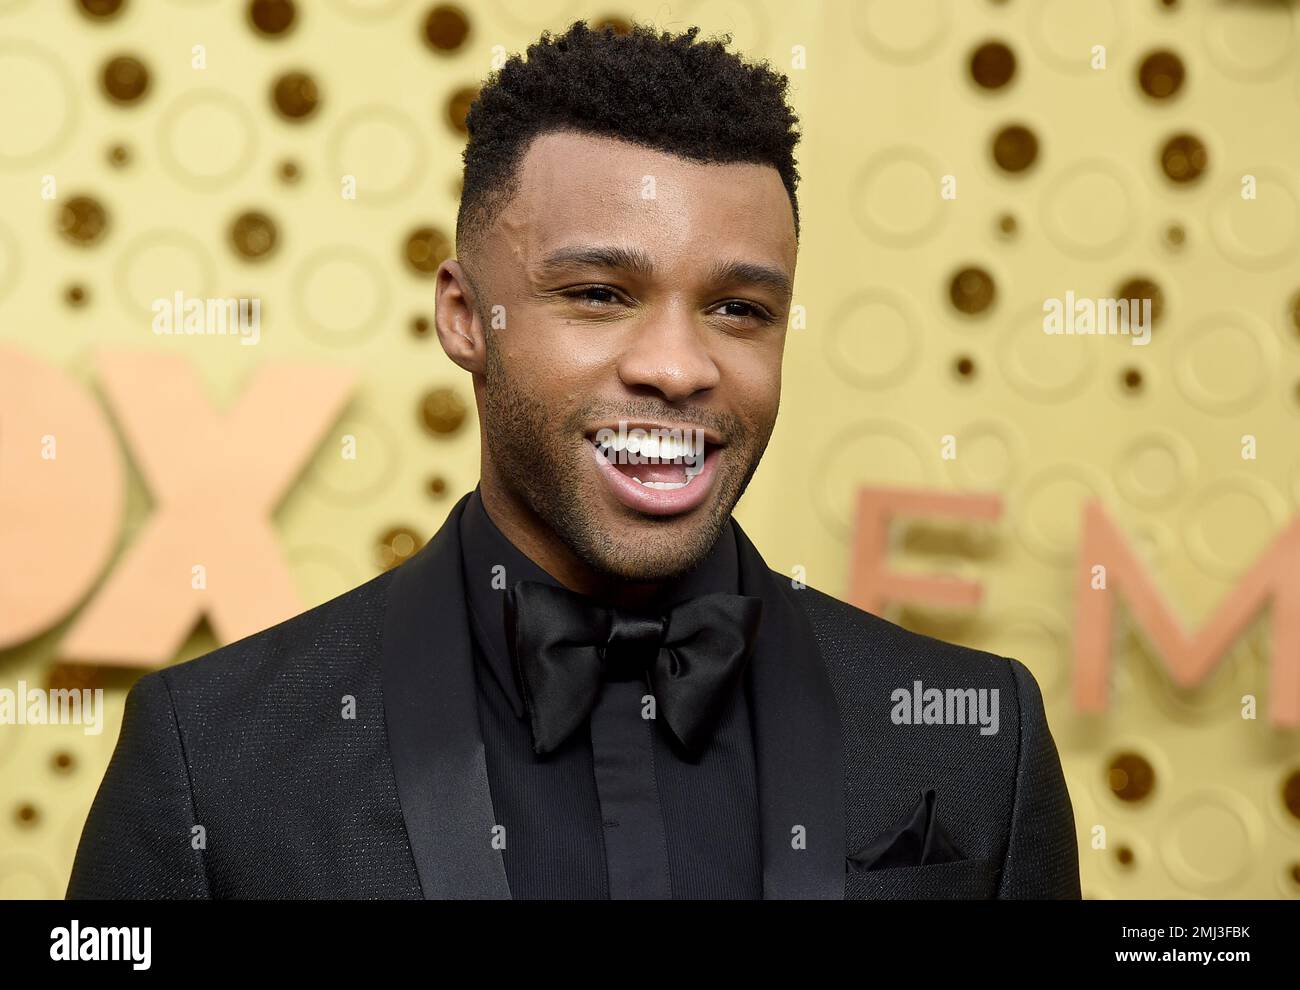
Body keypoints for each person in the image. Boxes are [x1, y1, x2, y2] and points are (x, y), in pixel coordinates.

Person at [68, 20, 1080, 900]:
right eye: (599, 293)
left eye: (739, 309)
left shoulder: (980, 739)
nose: (679, 367)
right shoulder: (215, 757)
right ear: (465, 317)